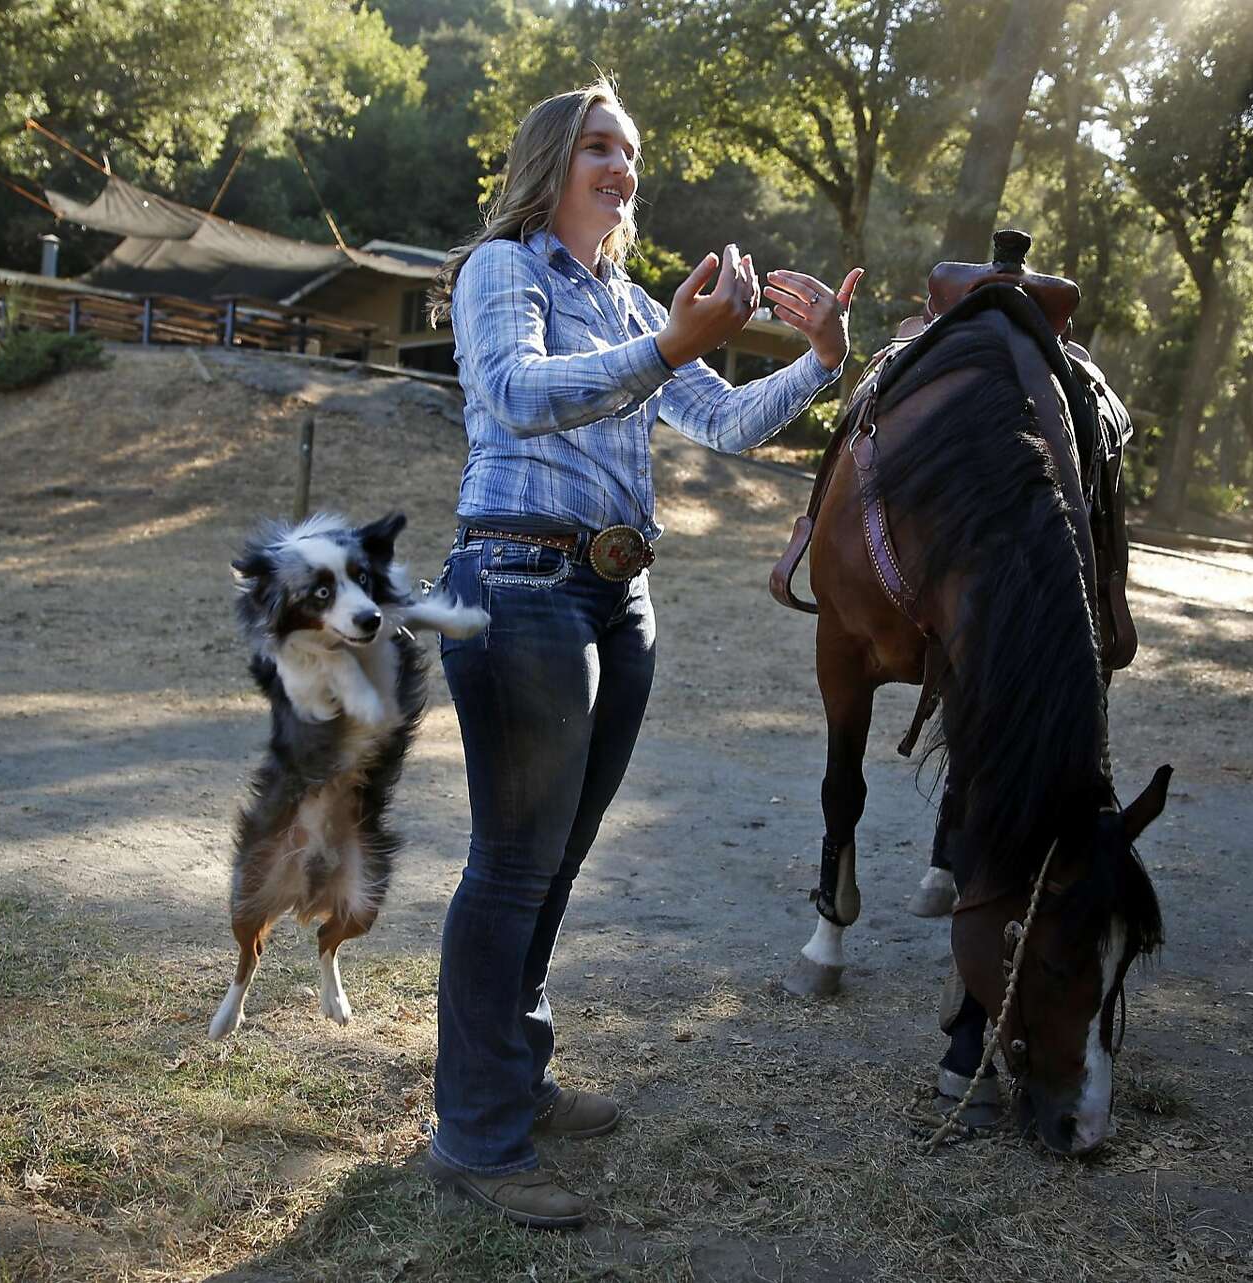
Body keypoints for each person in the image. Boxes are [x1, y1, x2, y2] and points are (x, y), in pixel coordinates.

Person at [421, 79, 862, 1229]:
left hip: (619, 599)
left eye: (630, 152)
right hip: (519, 586)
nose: (620, 167)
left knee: (557, 858)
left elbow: (719, 421)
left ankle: (518, 1076)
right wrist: (670, 340)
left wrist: (821, 358)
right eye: (599, 147)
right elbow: (514, 397)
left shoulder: (622, 301)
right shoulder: (501, 271)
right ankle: (474, 1135)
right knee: (511, 864)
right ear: (551, 163)